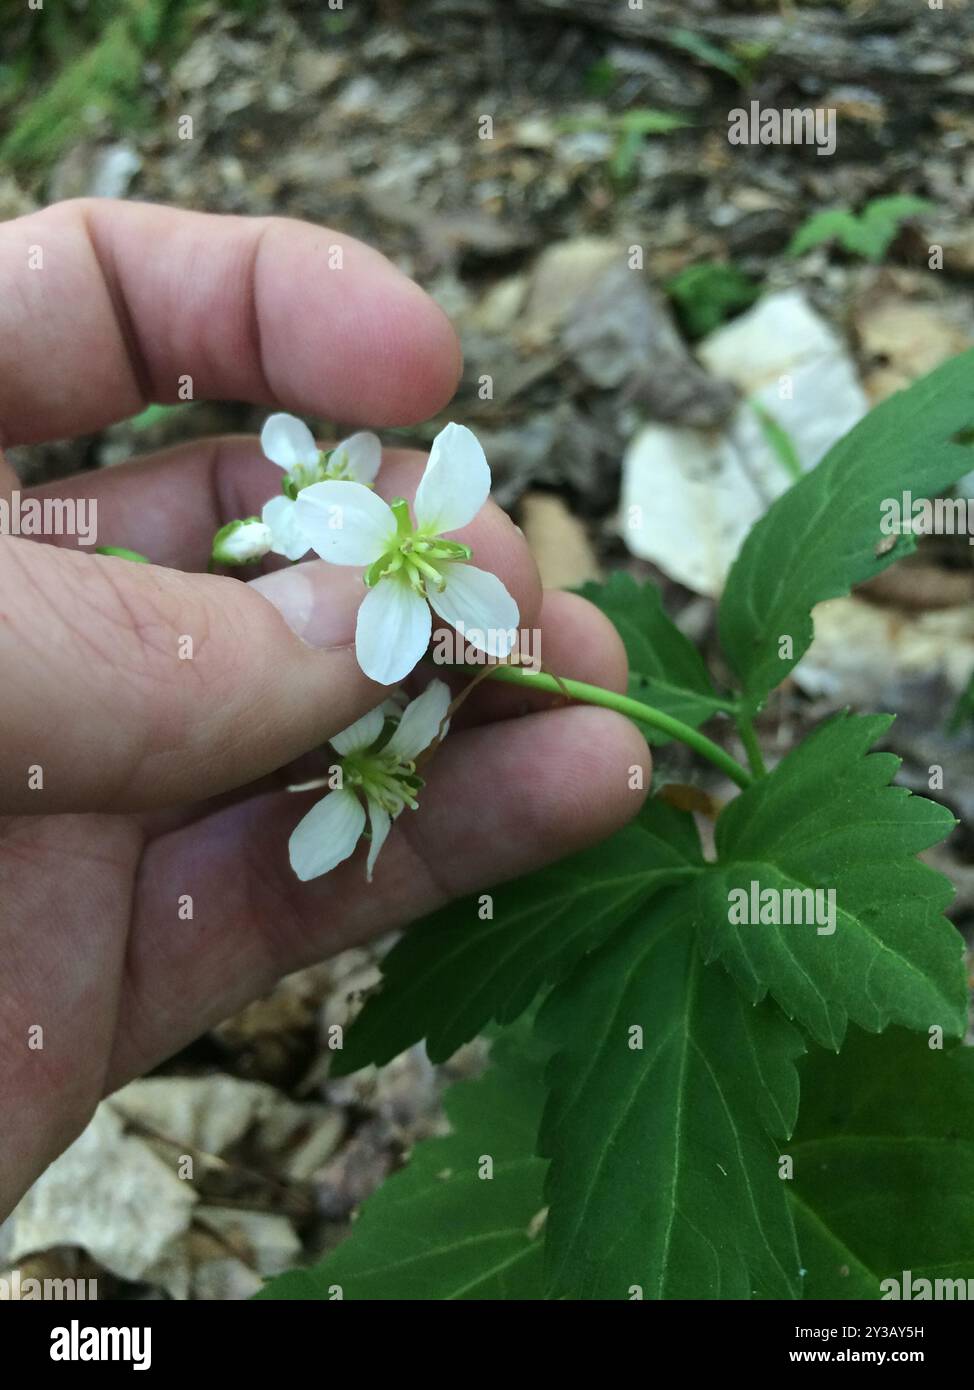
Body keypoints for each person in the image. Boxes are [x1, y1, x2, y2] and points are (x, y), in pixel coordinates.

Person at [0, 199, 649, 1219]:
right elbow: (348, 622)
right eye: (402, 547)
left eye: (412, 548)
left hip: (361, 703)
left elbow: (413, 608)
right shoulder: (343, 551)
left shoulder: (390, 570)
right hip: (347, 700)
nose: (417, 554)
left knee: (553, 672)